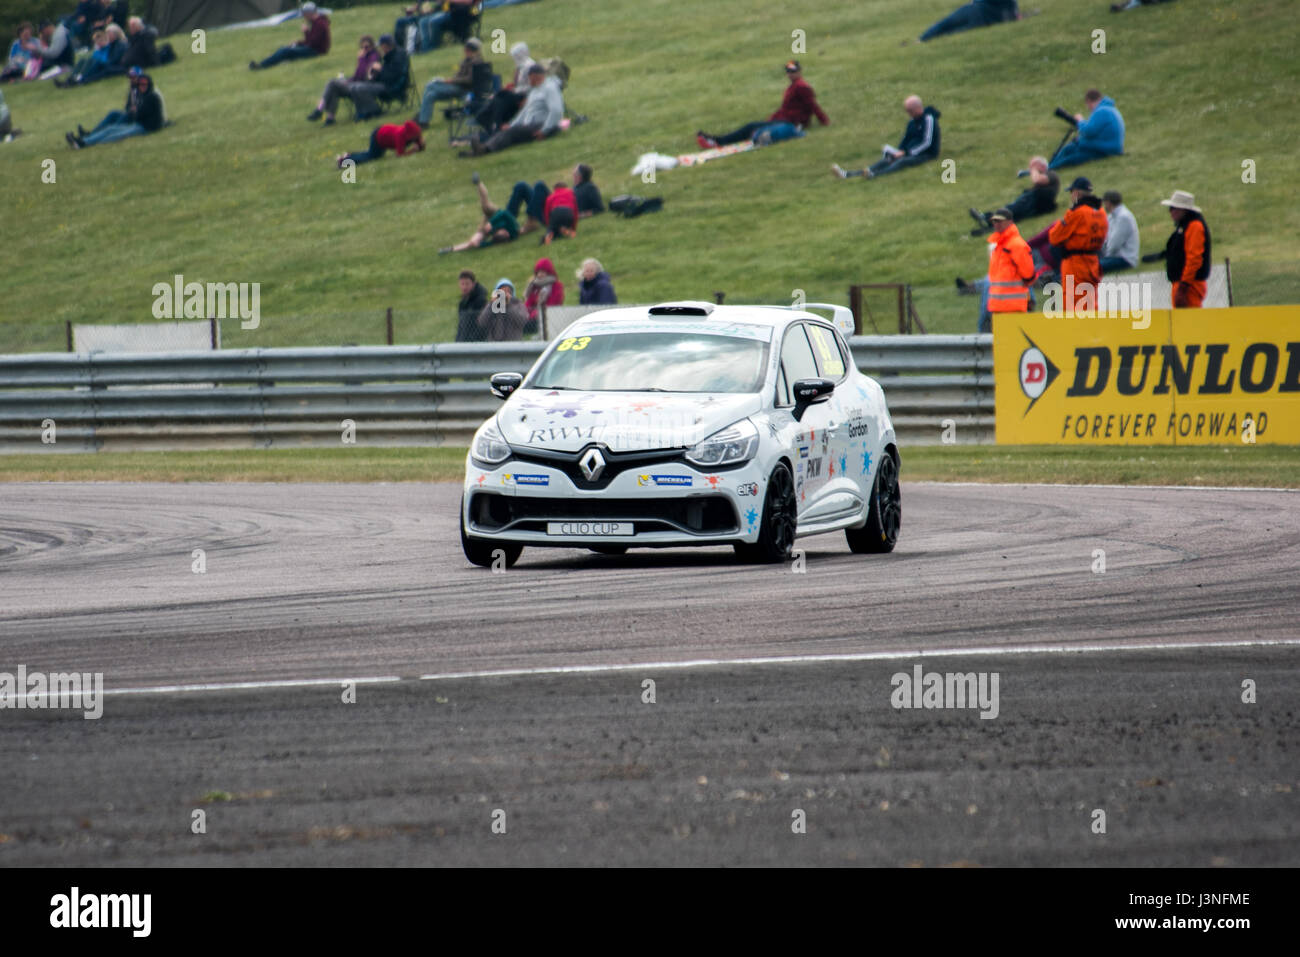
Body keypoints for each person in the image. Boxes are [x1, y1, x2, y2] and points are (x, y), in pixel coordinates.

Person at [696, 61, 829, 148]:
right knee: (752, 127)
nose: (790, 75)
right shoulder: (794, 86)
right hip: (783, 120)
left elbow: (812, 106)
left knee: (751, 127)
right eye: (788, 72)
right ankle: (717, 140)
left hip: (791, 123)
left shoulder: (802, 87)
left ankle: (718, 141)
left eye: (793, 72)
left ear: (799, 72)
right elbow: (786, 108)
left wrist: (824, 121)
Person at [463, 63, 562, 156]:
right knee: (506, 130)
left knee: (511, 132)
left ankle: (485, 149)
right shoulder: (535, 90)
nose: (528, 80)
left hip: (543, 125)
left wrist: (545, 131)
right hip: (532, 125)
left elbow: (556, 111)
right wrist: (511, 125)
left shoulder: (550, 88)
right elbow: (524, 112)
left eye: (529, 77)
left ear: (535, 76)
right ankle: (480, 148)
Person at [832, 95, 940, 179]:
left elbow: (927, 142)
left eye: (910, 111)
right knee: (889, 159)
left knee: (902, 161)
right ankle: (848, 174)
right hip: (909, 152)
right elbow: (905, 139)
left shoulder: (929, 119)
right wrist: (898, 151)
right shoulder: (912, 122)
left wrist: (906, 153)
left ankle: (874, 175)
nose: (908, 114)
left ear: (918, 108)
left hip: (927, 154)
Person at [316, 34, 409, 125]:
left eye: (367, 47)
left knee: (358, 87)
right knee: (339, 84)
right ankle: (328, 113)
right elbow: (361, 75)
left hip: (391, 87)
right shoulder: (388, 55)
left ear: (386, 46)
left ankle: (372, 111)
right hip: (379, 83)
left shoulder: (397, 56)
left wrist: (380, 70)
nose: (380, 48)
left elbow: (392, 77)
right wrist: (362, 61)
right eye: (362, 47)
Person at [1046, 176, 1108, 312]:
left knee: (1072, 304)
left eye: (1071, 192)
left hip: (1075, 263)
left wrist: (1067, 216)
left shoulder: (1077, 212)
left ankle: (1076, 332)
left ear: (1077, 193)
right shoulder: (1101, 212)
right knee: (1090, 302)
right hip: (1093, 262)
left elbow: (1054, 237)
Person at [66, 69, 165, 149]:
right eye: (140, 84)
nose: (141, 86)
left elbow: (140, 114)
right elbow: (130, 108)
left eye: (144, 84)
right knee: (111, 128)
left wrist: (135, 110)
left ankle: (86, 142)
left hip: (145, 127)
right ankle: (85, 140)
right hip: (138, 122)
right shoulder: (137, 91)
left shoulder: (151, 96)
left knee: (115, 134)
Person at [968, 155, 1058, 235]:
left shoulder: (1051, 174)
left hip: (1039, 199)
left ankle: (988, 218)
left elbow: (1038, 180)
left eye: (1033, 165)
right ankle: (996, 224)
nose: (1030, 168)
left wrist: (1034, 170)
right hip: (1036, 202)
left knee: (1014, 207)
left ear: (1042, 166)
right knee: (1017, 211)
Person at [1156, 190, 1211, 308]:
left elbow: (1194, 258)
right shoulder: (1185, 226)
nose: (1170, 212)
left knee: (1190, 323)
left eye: (1173, 208)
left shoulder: (1194, 226)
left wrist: (1183, 287)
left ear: (1184, 210)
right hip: (1183, 283)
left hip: (1190, 285)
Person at [438, 173, 521, 252]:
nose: (499, 229)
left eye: (496, 231)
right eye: (501, 230)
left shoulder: (496, 238)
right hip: (496, 213)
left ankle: (451, 249)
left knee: (473, 241)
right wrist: (491, 223)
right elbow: (504, 213)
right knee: (486, 206)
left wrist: (479, 244)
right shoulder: (513, 228)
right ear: (507, 233)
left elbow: (487, 243)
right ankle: (478, 182)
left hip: (487, 224)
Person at [415, 37, 484, 128]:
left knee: (430, 85)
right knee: (430, 95)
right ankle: (424, 121)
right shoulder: (466, 61)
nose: (465, 51)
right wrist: (450, 80)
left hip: (464, 89)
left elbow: (470, 80)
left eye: (468, 49)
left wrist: (452, 80)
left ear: (473, 50)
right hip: (456, 88)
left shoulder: (477, 62)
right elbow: (459, 75)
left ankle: (420, 117)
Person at [308, 35, 379, 121]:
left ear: (372, 46)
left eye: (366, 47)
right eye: (362, 47)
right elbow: (356, 76)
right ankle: (329, 118)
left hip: (361, 87)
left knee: (332, 83)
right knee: (333, 86)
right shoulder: (364, 57)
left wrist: (361, 59)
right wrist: (347, 80)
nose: (364, 49)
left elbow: (364, 75)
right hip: (355, 84)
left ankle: (320, 110)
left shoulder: (374, 56)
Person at [1050, 89, 1124, 170]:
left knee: (1070, 158)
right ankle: (1048, 167)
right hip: (1109, 147)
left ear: (1088, 101)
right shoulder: (1109, 108)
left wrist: (1080, 121)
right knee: (1070, 148)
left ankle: (1048, 169)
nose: (1088, 108)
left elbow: (1088, 131)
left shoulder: (1101, 111)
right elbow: (1094, 129)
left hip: (1105, 150)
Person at [473, 41, 534, 135]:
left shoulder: (529, 66)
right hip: (517, 93)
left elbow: (531, 86)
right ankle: (488, 121)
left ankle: (496, 126)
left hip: (525, 95)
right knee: (499, 98)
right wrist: (513, 87)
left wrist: (514, 90)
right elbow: (520, 84)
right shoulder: (521, 66)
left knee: (500, 98)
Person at [249, 3, 330, 70]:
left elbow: (312, 42)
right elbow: (312, 41)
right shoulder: (318, 22)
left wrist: (306, 32)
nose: (304, 16)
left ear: (310, 13)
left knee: (285, 51)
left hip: (316, 52)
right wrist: (298, 42)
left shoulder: (320, 24)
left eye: (304, 14)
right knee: (284, 49)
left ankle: (261, 66)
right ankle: (264, 63)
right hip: (314, 49)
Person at [59, 23, 126, 86]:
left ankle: (80, 79)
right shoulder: (113, 44)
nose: (107, 36)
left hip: (115, 66)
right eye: (107, 34)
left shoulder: (120, 45)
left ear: (115, 34)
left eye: (109, 34)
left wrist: (103, 62)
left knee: (97, 64)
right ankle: (73, 78)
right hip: (109, 63)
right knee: (85, 60)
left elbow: (114, 59)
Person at [335, 120, 424, 167]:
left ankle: (348, 155)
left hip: (382, 134)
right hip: (378, 137)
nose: (417, 137)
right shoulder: (400, 135)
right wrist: (413, 151)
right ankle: (344, 161)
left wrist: (420, 145)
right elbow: (399, 154)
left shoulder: (411, 135)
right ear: (409, 135)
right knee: (371, 157)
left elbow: (420, 144)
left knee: (371, 154)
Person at [920, 0, 1020, 42]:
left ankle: (922, 40)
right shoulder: (1009, 6)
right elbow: (1011, 11)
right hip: (983, 19)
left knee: (945, 25)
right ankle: (924, 39)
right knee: (950, 31)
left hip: (975, 10)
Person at [1098, 190, 1139, 274]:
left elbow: (1114, 244)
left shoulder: (1123, 217)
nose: (1104, 205)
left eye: (1104, 202)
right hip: (1114, 256)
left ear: (1108, 202)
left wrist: (1104, 256)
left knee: (1091, 268)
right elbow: (1106, 240)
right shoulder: (1112, 217)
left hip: (1125, 258)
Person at [524, 258, 564, 327]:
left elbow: (553, 304)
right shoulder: (534, 286)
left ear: (548, 272)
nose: (539, 275)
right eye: (538, 272)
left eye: (542, 272)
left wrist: (535, 314)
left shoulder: (556, 286)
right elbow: (528, 304)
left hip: (550, 317)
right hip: (533, 317)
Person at [454, 269, 489, 341]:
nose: (464, 287)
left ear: (473, 284)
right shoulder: (462, 303)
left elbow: (482, 326)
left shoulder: (480, 301)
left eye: (467, 284)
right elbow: (461, 326)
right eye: (462, 284)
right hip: (464, 342)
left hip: (476, 344)